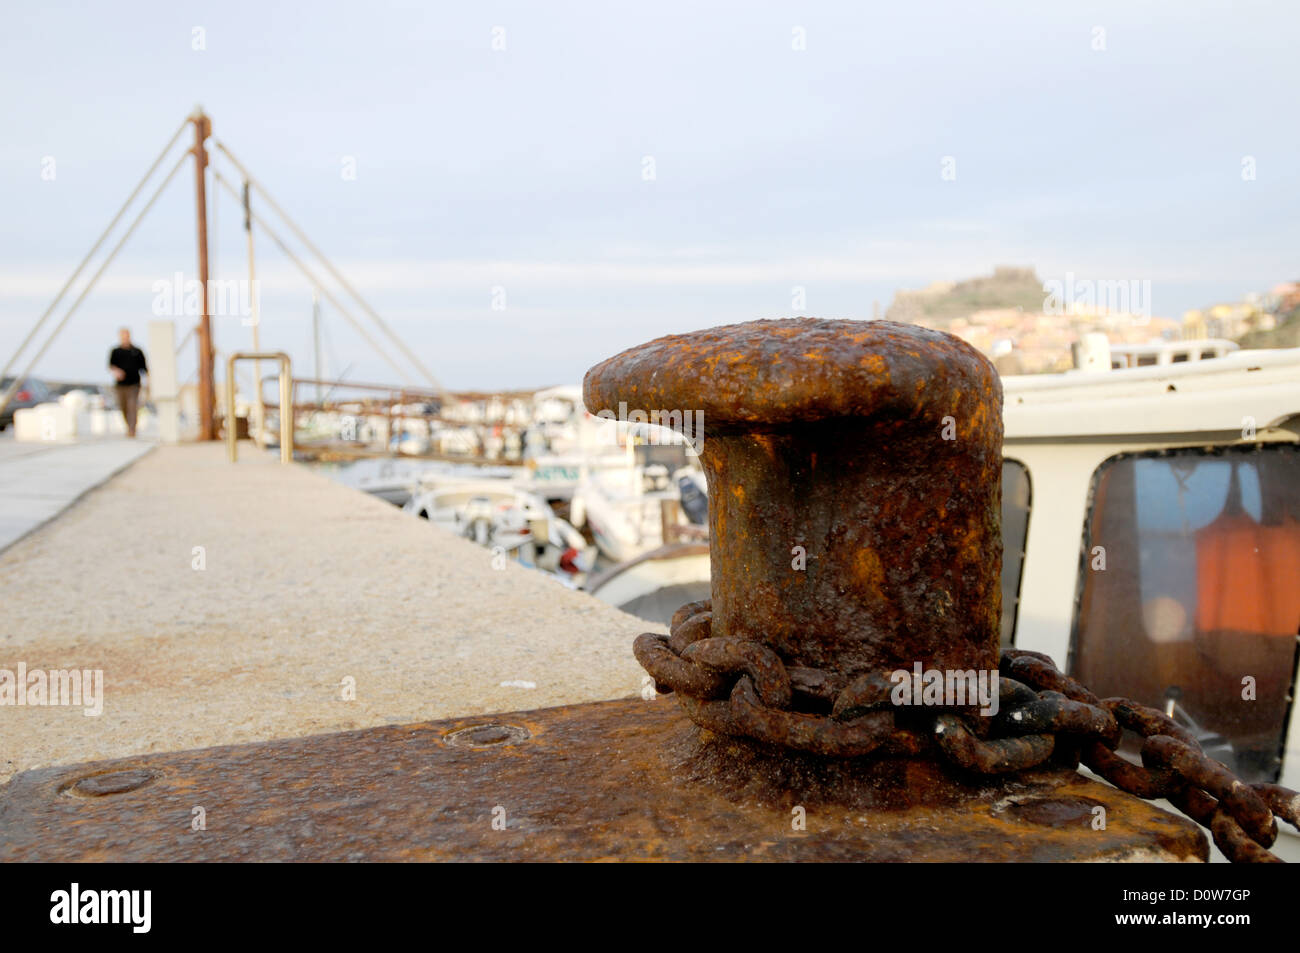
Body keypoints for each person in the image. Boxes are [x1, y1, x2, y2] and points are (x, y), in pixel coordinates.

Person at [108, 327, 148, 437]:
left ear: (129, 336)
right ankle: (128, 426)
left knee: (132, 407)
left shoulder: (137, 351)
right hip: (120, 385)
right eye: (122, 335)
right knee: (123, 407)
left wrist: (149, 383)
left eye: (126, 335)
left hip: (134, 384)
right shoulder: (115, 351)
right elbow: (111, 366)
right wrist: (117, 372)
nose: (125, 338)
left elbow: (144, 369)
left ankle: (132, 429)